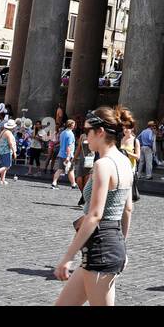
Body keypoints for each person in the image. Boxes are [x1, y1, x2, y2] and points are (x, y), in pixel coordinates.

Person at [54, 107, 135, 306]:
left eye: (88, 130)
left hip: (101, 249)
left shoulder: (103, 165)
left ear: (100, 132)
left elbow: (95, 214)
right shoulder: (125, 162)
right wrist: (122, 245)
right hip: (107, 245)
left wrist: (67, 257)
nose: (85, 136)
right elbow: (128, 209)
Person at [0, 118, 17, 185]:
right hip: (6, 151)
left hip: (1, 150)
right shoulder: (9, 133)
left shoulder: (4, 131)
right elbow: (10, 143)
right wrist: (14, 152)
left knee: (4, 166)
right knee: (7, 166)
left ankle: (2, 180)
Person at [52, 119, 77, 189]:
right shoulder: (71, 134)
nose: (75, 126)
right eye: (74, 124)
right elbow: (69, 146)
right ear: (72, 125)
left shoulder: (63, 132)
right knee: (71, 170)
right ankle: (73, 184)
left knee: (60, 169)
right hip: (68, 154)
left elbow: (61, 143)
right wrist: (68, 156)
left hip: (61, 153)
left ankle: (54, 183)